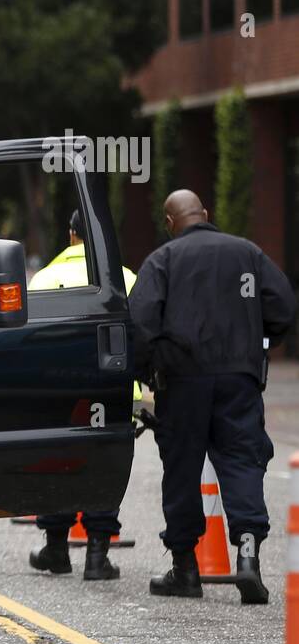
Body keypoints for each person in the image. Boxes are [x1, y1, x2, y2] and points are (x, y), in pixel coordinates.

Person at [130, 189, 296, 603]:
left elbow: (139, 324)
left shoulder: (162, 261)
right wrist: (255, 344)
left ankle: (185, 570)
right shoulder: (248, 253)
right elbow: (283, 307)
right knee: (242, 459)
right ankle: (247, 556)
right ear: (205, 214)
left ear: (170, 223)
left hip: (181, 381)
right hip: (239, 379)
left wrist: (142, 372)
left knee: (183, 470)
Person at [26, 210, 139, 581]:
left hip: (56, 391)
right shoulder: (126, 279)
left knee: (60, 461)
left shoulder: (44, 279)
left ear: (71, 234)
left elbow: (27, 341)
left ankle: (56, 549)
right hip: (112, 389)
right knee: (104, 465)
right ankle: (97, 555)